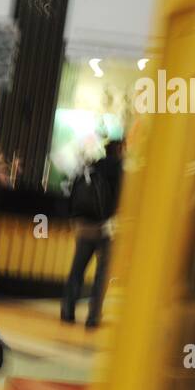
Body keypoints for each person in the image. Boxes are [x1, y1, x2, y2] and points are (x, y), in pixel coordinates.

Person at [61, 138, 124, 328]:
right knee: (102, 275)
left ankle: (67, 312)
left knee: (77, 271)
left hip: (84, 227)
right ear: (120, 149)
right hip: (107, 229)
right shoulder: (121, 170)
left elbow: (73, 192)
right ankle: (93, 317)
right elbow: (123, 199)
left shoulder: (92, 167)